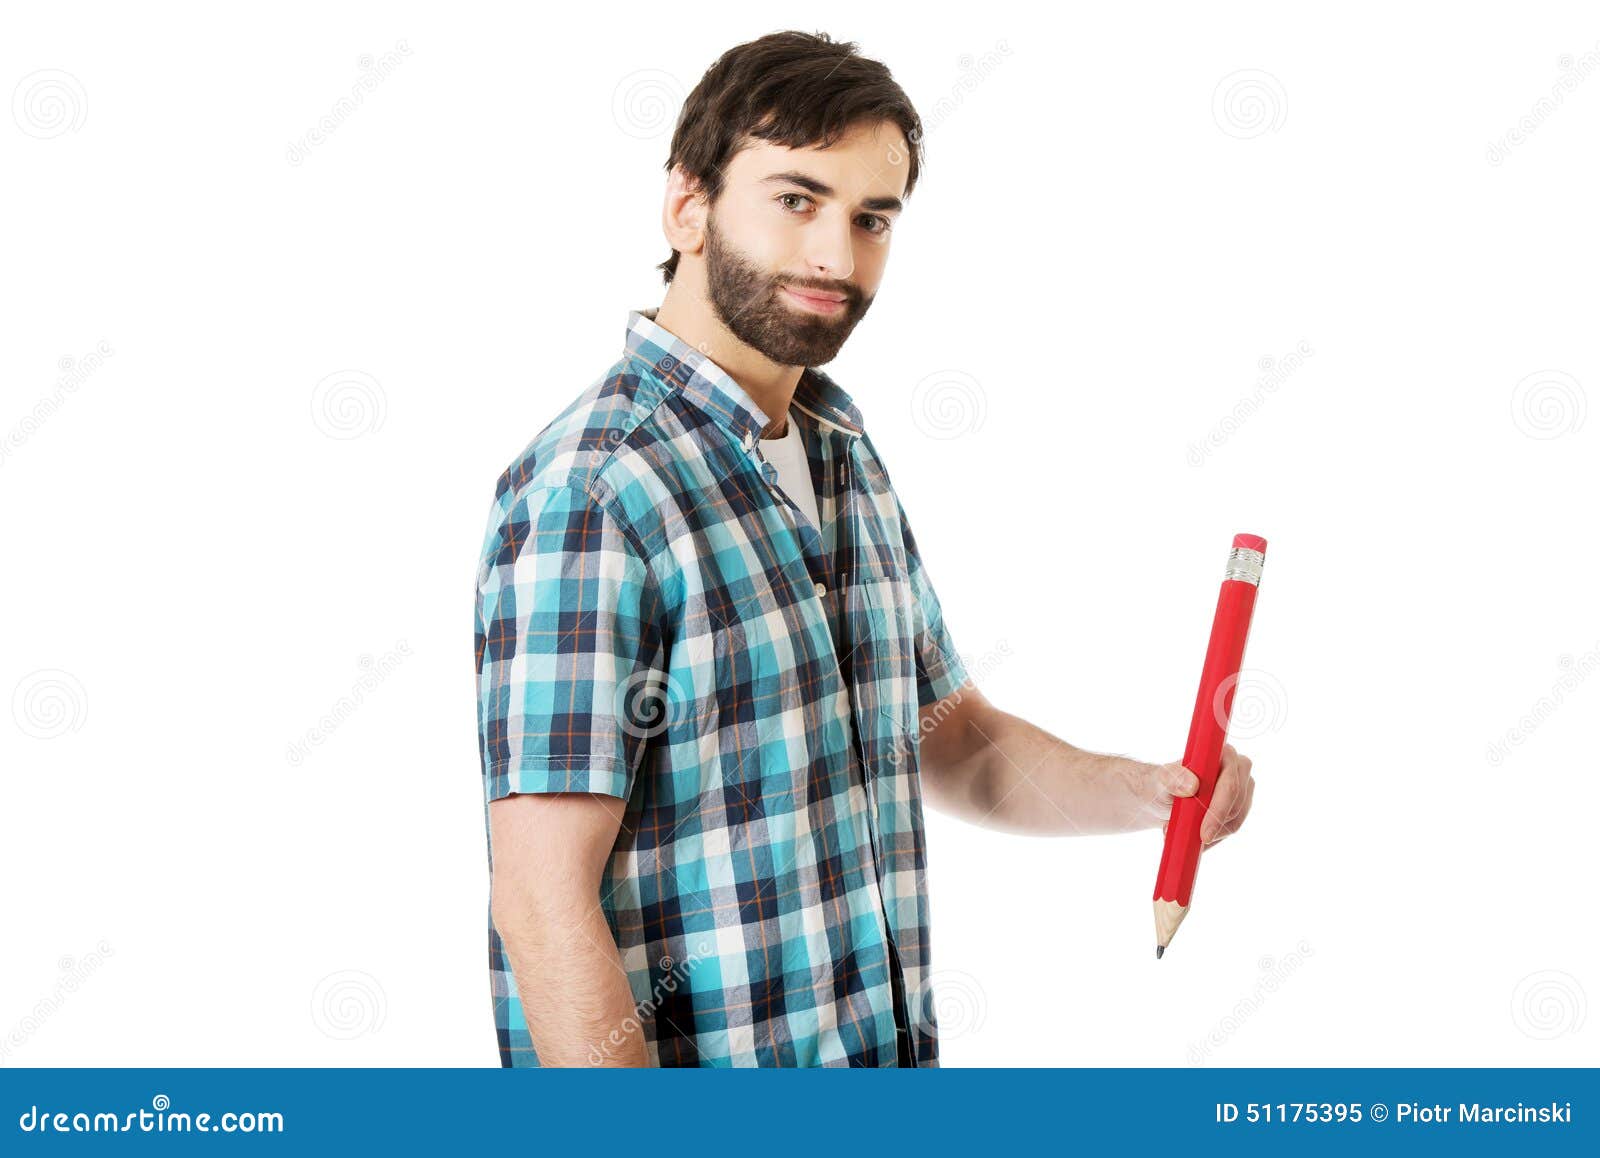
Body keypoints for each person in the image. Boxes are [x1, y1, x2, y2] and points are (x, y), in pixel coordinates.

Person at [472, 29, 1256, 1068]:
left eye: (870, 218)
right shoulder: (596, 488)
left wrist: (1152, 793)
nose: (836, 257)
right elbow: (540, 900)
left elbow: (950, 736)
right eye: (795, 201)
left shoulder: (839, 451)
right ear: (686, 208)